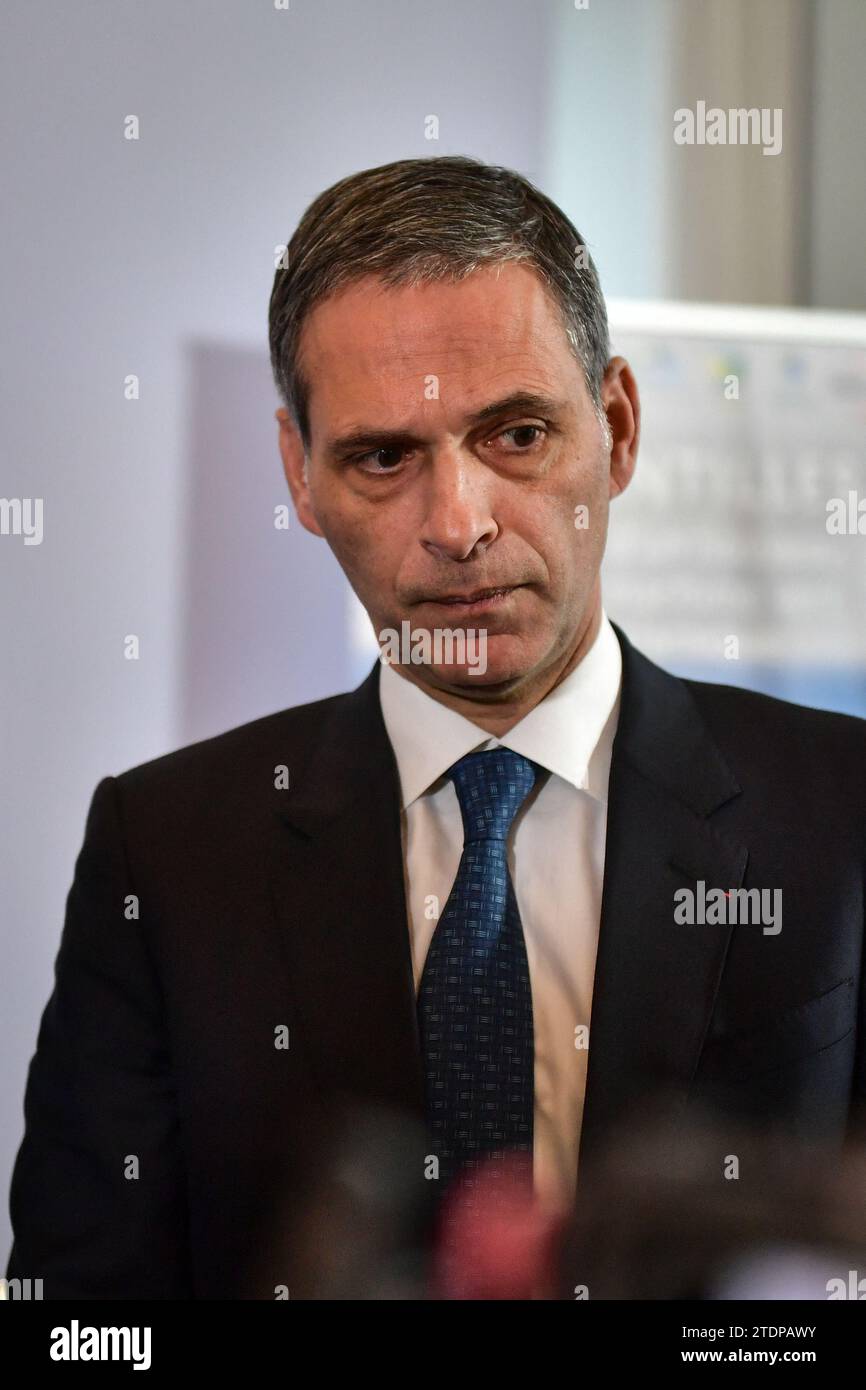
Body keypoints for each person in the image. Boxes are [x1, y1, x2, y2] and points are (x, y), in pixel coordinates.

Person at [7, 156, 866, 1299]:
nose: (456, 525)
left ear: (614, 428)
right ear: (299, 477)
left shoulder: (844, 809)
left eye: (514, 435)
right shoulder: (163, 849)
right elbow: (83, 1318)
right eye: (382, 456)